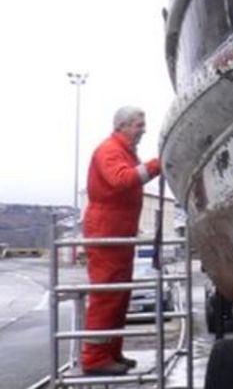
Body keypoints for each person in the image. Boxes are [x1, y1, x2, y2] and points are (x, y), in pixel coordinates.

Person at [81, 106, 161, 376]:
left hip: (118, 233)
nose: (143, 129)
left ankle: (112, 351)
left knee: (119, 295)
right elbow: (121, 179)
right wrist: (157, 165)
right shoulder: (110, 150)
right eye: (139, 124)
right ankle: (95, 358)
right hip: (107, 234)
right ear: (123, 126)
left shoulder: (121, 151)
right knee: (107, 295)